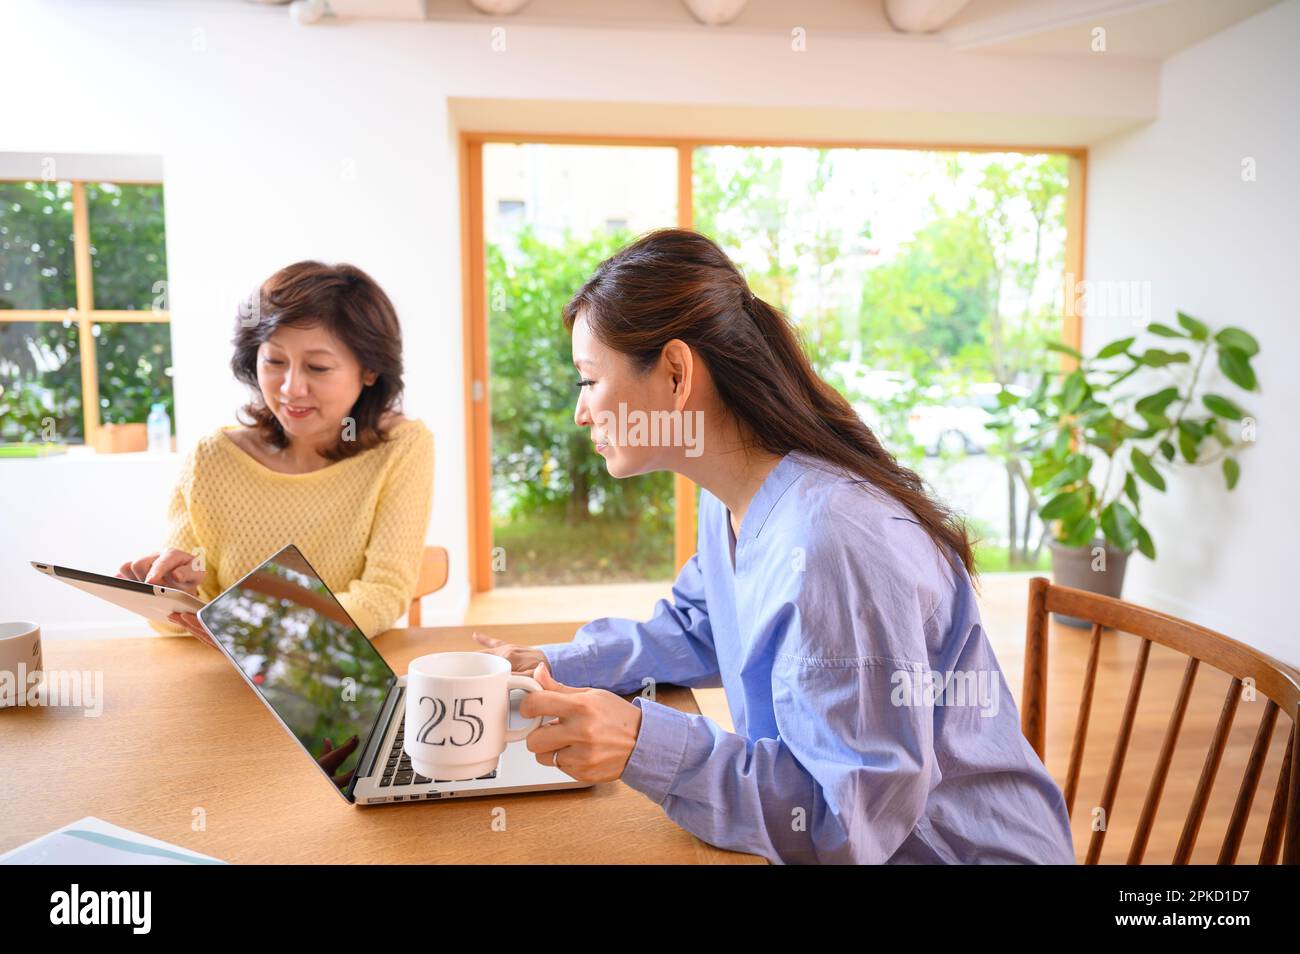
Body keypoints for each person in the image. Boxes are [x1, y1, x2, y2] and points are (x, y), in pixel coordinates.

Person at [473, 228, 1076, 865]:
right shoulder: (729, 497)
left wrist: (640, 741)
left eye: (588, 381)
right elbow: (703, 625)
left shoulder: (833, 543)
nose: (581, 412)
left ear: (676, 373)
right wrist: (554, 664)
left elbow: (846, 824)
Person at [117, 261, 434, 646]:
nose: (291, 388)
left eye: (317, 367)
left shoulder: (400, 447)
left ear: (369, 371)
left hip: (333, 677)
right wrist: (169, 592)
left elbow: (383, 592)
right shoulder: (213, 457)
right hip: (228, 676)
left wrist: (265, 632)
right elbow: (186, 614)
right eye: (275, 361)